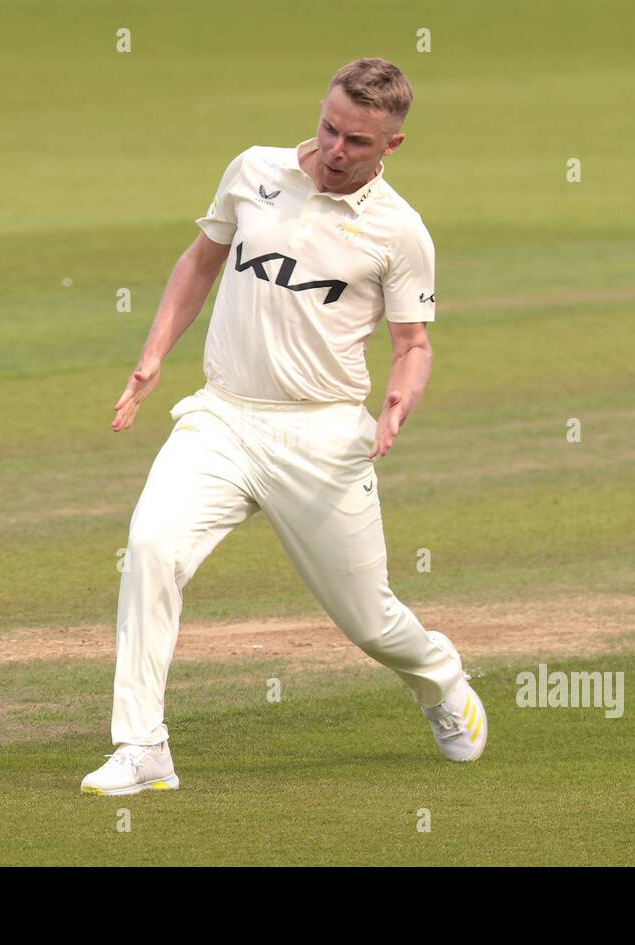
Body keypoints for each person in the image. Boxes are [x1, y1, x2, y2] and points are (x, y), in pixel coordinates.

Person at [81, 58, 486, 796]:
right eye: (329, 127)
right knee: (150, 546)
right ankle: (142, 747)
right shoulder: (254, 170)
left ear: (391, 146)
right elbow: (200, 262)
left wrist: (399, 400)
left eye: (356, 141)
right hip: (223, 417)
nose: (334, 149)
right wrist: (151, 357)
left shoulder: (399, 232)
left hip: (324, 439)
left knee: (368, 621)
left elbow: (413, 345)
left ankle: (440, 677)